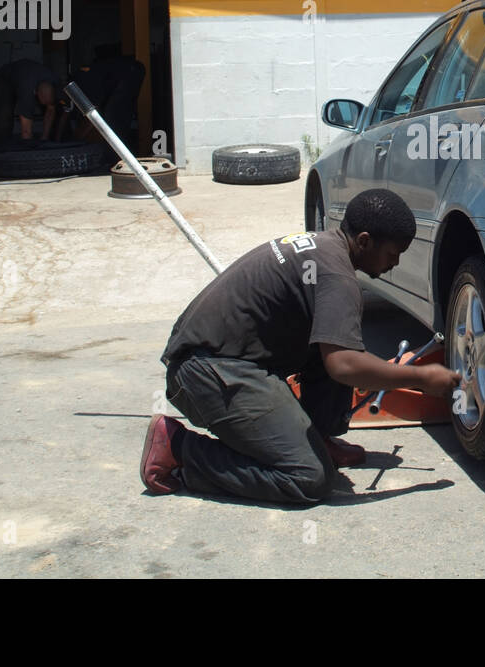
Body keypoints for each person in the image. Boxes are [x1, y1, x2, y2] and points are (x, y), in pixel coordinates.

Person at [141, 188, 460, 504]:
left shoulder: (326, 248)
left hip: (217, 355)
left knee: (338, 337)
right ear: (364, 241)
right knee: (309, 477)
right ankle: (179, 449)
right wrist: (419, 378)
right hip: (206, 371)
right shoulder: (336, 275)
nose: (396, 263)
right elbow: (344, 365)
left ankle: (314, 436)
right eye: (392, 254)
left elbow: (339, 354)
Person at [0, 58, 64, 143]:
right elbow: (26, 131)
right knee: (6, 112)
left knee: (54, 109)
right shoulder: (27, 91)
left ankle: (46, 138)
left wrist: (44, 138)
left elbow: (50, 110)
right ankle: (2, 144)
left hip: (28, 74)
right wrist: (29, 147)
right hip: (6, 76)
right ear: (36, 93)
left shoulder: (55, 81)